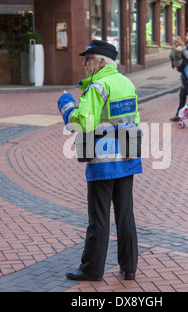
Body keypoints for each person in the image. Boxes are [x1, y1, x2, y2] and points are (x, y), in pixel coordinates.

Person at [57, 40, 142, 281]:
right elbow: (134, 119)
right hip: (126, 157)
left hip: (103, 161)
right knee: (125, 215)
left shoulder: (98, 87)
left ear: (101, 62)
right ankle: (129, 268)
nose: (84, 63)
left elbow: (82, 123)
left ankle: (92, 270)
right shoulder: (127, 83)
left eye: (88, 59)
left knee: (99, 217)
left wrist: (67, 106)